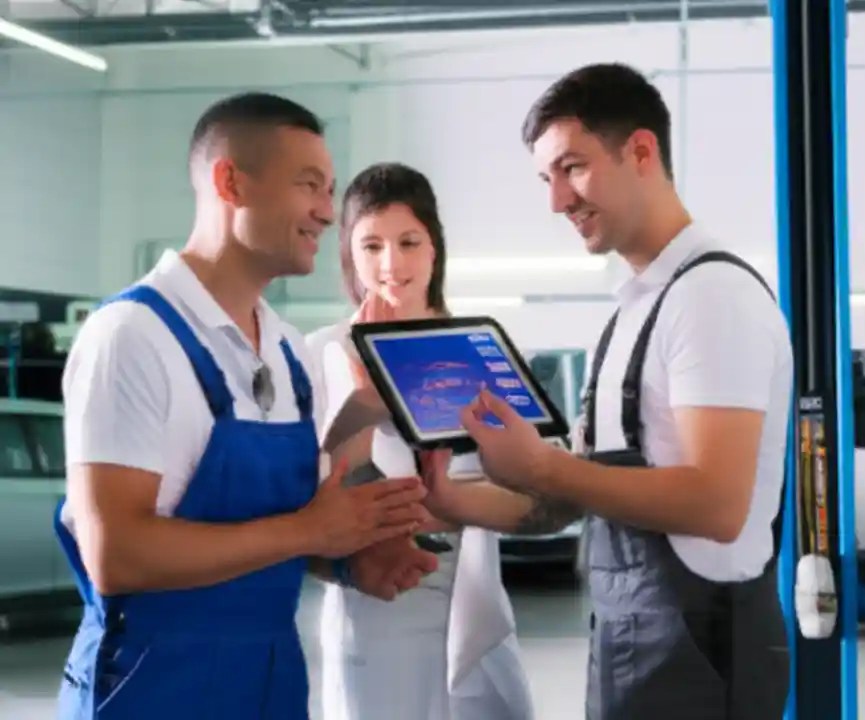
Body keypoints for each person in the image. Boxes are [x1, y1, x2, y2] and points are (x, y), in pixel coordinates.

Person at [415, 62, 795, 720]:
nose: (557, 201)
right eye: (547, 179)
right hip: (634, 648)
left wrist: (542, 463)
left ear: (641, 151)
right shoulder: (631, 313)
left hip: (706, 660)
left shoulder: (712, 299)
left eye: (573, 168)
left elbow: (716, 503)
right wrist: (452, 501)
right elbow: (570, 500)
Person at [54, 93, 438, 720]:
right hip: (151, 687)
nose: (325, 212)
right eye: (309, 185)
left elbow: (275, 529)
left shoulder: (288, 350)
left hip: (270, 679)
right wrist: (312, 531)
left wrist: (349, 561)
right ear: (230, 181)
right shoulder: (130, 335)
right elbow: (116, 553)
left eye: (329, 189)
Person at [306, 162, 535, 720]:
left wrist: (455, 505)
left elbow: (535, 481)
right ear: (349, 255)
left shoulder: (479, 349)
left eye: (409, 242)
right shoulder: (321, 354)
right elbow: (315, 491)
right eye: (372, 245)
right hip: (377, 604)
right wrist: (362, 401)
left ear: (435, 248)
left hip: (473, 603)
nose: (392, 264)